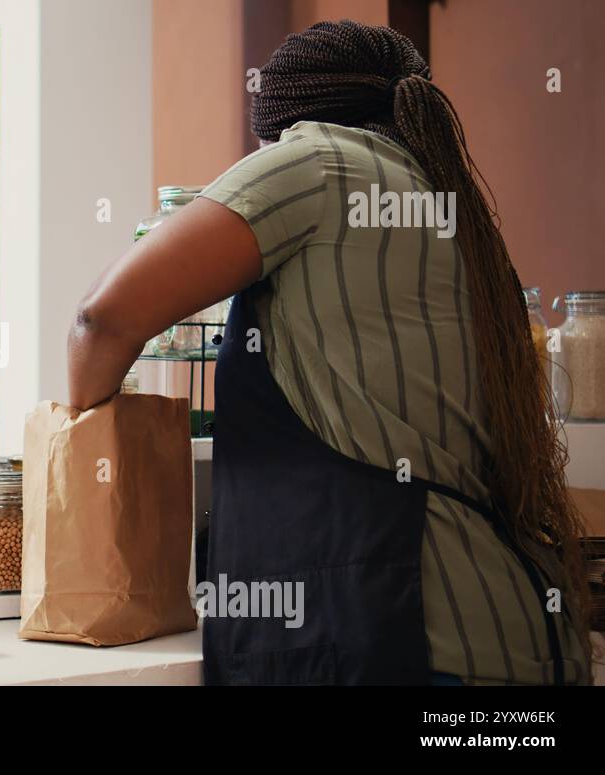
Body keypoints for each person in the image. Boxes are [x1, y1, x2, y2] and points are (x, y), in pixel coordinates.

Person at [67, 21, 589, 684]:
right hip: (507, 630)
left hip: (402, 634)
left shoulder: (315, 161)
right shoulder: (451, 209)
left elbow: (100, 318)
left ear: (276, 129)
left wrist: (86, 438)